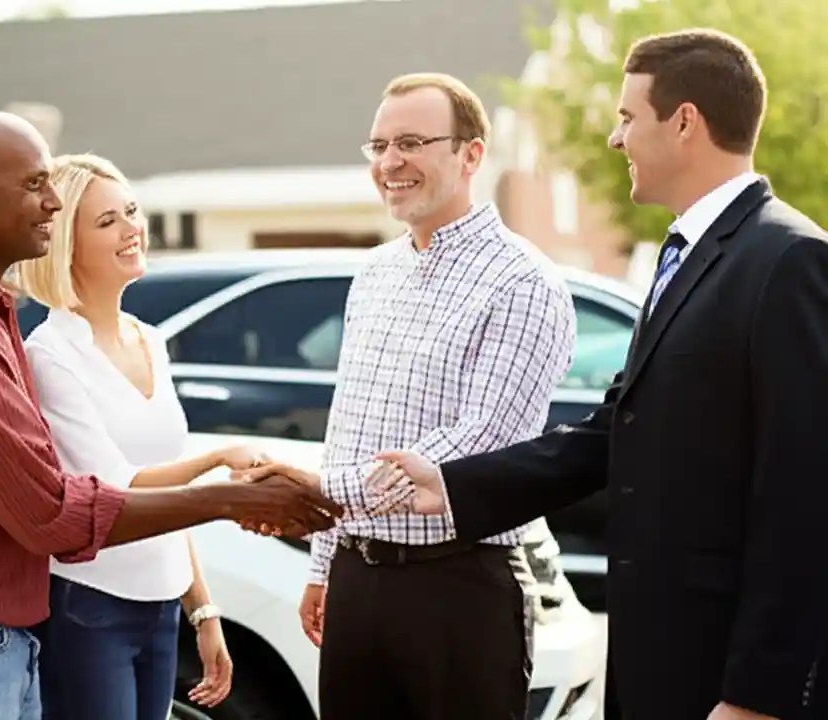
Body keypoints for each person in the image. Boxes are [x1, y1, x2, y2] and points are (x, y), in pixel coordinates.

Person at [341, 29, 828, 720]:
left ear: (684, 121)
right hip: (658, 659)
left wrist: (756, 697)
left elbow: (805, 499)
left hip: (723, 679)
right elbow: (611, 435)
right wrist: (451, 484)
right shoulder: (688, 255)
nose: (614, 138)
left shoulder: (787, 260)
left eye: (628, 117)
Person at [0, 109, 343, 720]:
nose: (51, 202)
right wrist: (228, 498)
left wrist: (202, 597)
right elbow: (49, 512)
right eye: (33, 184)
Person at [245, 73, 578, 719]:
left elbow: (482, 441)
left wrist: (322, 488)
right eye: (377, 145)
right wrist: (322, 563)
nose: (390, 162)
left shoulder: (524, 282)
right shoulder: (373, 274)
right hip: (357, 578)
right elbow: (350, 424)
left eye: (412, 142)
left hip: (458, 587)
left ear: (471, 154)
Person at [15, 153, 258, 720]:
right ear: (65, 246)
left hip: (162, 608)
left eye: (131, 211)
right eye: (107, 222)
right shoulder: (49, 357)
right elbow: (119, 489)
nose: (132, 229)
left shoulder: (150, 341)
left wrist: (203, 610)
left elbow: (168, 502)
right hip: (89, 609)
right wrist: (219, 459)